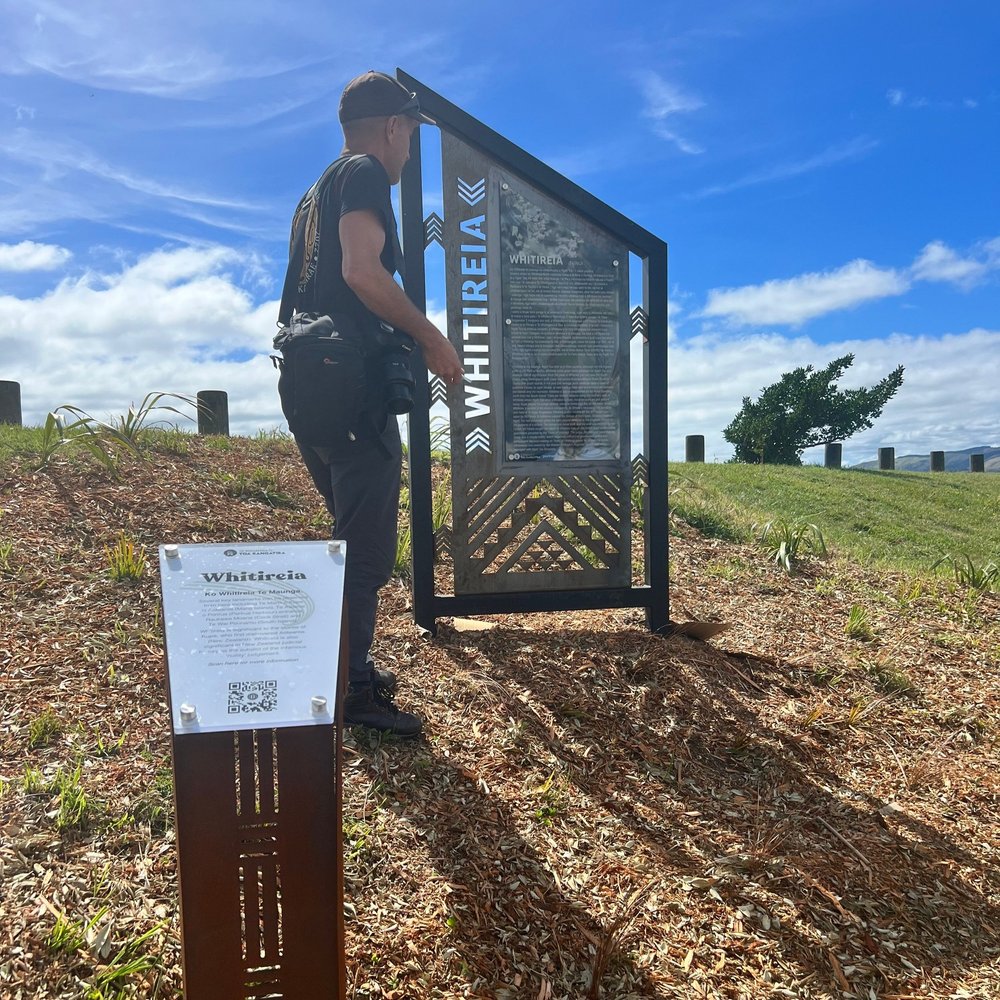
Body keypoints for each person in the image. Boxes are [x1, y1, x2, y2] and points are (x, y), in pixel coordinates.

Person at [280, 71, 463, 736]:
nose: (409, 150)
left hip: (309, 388)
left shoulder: (314, 193)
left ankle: (344, 667)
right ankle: (351, 690)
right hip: (351, 390)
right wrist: (431, 337)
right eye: (410, 134)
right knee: (364, 553)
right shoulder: (363, 175)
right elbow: (362, 271)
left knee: (348, 542)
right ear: (392, 126)